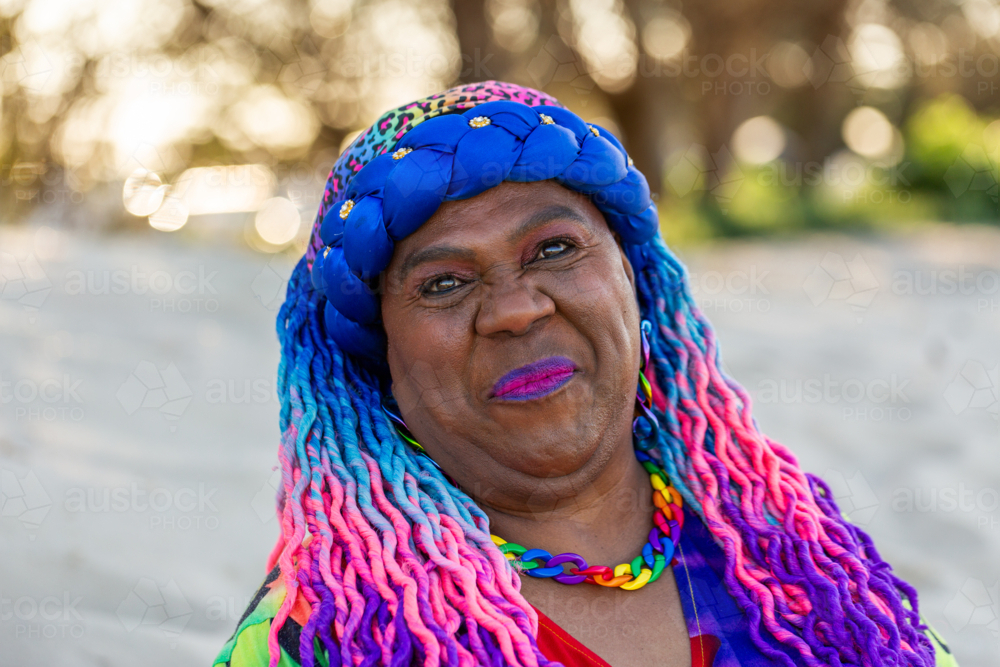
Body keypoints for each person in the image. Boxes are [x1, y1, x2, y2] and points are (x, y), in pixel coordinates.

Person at [213, 81, 957, 667]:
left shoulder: (810, 575)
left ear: (638, 285)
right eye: (443, 283)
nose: (515, 309)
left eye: (554, 249)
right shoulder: (324, 637)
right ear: (379, 365)